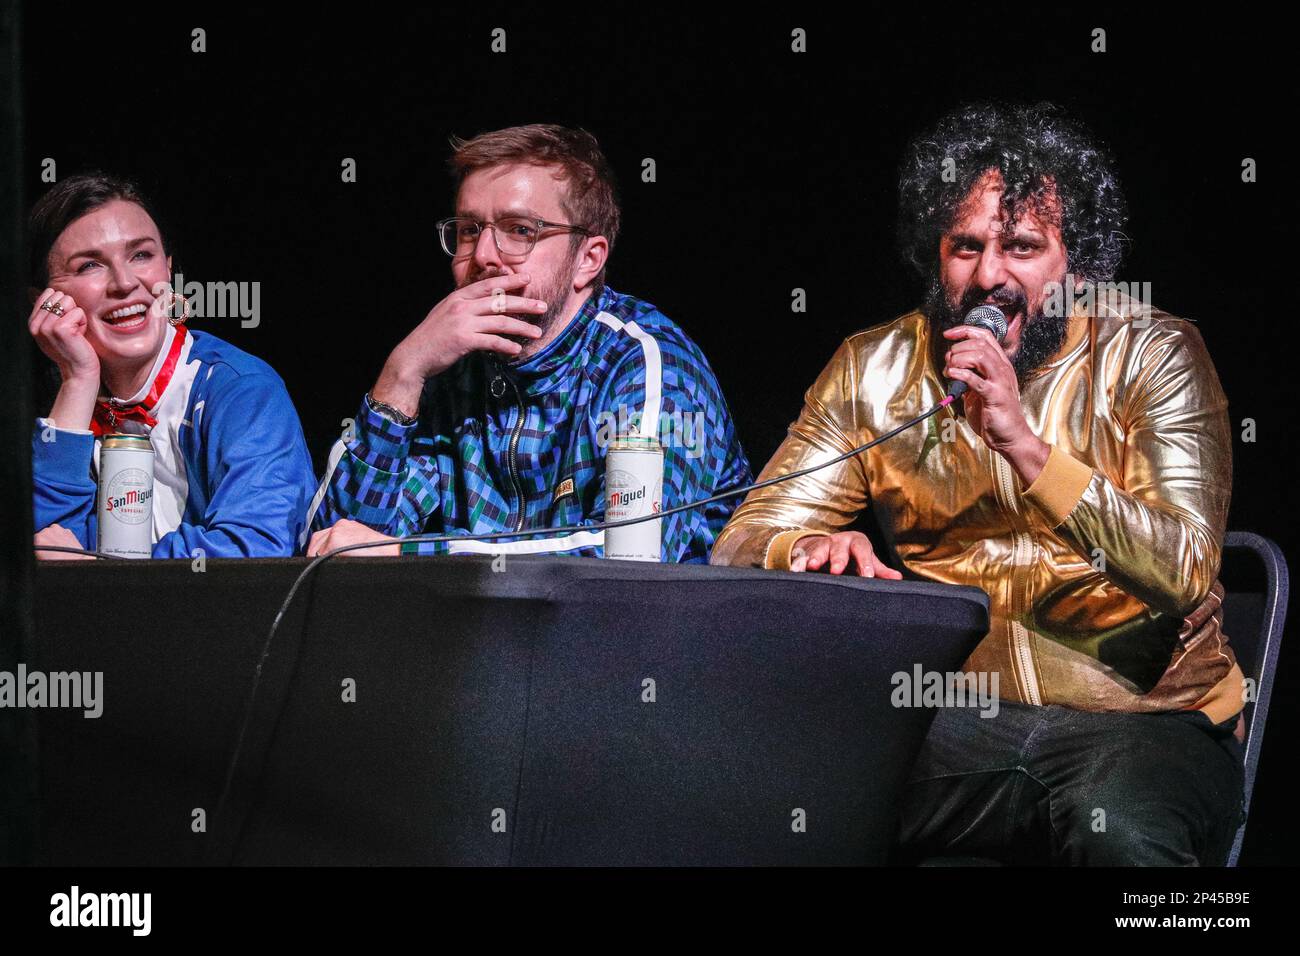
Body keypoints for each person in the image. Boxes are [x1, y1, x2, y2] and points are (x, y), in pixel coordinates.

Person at [710, 102, 1245, 865]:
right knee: (775, 803)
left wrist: (1025, 447)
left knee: (1121, 834)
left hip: (1142, 718)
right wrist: (800, 547)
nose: (989, 275)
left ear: (1079, 265)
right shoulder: (875, 368)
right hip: (956, 715)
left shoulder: (1154, 352)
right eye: (965, 247)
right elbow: (738, 540)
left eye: (1023, 246)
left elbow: (1185, 568)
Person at [307, 124, 750, 561]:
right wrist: (401, 376)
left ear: (587, 260)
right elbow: (334, 548)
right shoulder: (446, 367)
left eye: (519, 230)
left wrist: (409, 554)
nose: (482, 255)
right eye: (468, 229)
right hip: (479, 633)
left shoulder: (647, 360)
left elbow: (624, 564)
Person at [29, 174, 316, 558]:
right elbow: (37, 553)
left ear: (168, 270)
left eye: (141, 255)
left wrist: (95, 564)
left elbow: (255, 552)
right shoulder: (47, 401)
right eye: (89, 266)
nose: (125, 283)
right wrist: (78, 380)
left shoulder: (240, 388)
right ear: (46, 301)